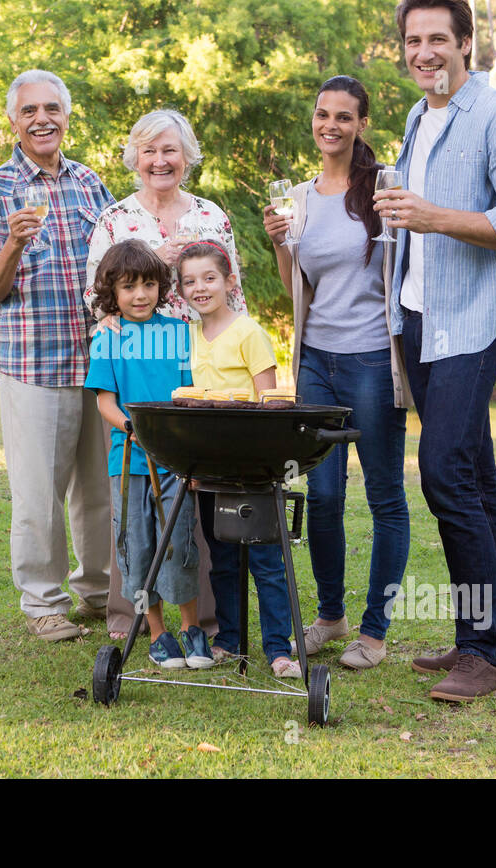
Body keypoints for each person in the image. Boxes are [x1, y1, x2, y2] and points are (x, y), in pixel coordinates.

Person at [374, 0, 496, 701]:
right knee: (477, 478)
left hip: (474, 321)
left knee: (444, 471)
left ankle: (479, 651)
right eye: (413, 40)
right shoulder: (420, 119)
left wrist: (437, 216)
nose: (424, 52)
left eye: (437, 39)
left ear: (466, 43)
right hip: (419, 319)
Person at [261, 75, 412, 672]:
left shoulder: (383, 188)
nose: (331, 125)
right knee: (322, 496)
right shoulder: (297, 198)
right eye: (323, 114)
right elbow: (295, 288)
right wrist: (280, 245)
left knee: (383, 495)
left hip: (372, 358)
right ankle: (331, 616)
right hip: (316, 360)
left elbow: (404, 270)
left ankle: (374, 632)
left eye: (344, 117)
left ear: (360, 125)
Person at [0, 69, 116, 642]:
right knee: (39, 494)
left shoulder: (90, 184)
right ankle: (43, 602)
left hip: (99, 362)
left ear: (67, 117)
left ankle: (98, 591)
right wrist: (13, 243)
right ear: (13, 120)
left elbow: (116, 267)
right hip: (34, 364)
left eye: (52, 109)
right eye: (29, 111)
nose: (42, 119)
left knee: (99, 489)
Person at [85, 240, 213, 668]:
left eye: (148, 285)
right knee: (136, 549)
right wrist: (133, 429)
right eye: (128, 287)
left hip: (174, 463)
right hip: (129, 464)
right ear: (112, 292)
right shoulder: (107, 337)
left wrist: (180, 443)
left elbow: (190, 393)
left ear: (161, 287)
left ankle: (192, 629)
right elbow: (105, 402)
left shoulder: (178, 332)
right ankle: (158, 634)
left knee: (178, 543)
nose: (140, 295)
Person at [179, 242, 299, 678]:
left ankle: (278, 648)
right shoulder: (187, 336)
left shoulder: (249, 333)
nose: (200, 288)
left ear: (230, 282)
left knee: (266, 562)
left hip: (250, 467)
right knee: (223, 558)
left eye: (209, 278)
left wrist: (266, 463)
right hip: (209, 470)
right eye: (189, 281)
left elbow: (270, 402)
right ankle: (229, 639)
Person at [85, 109, 246, 322]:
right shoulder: (114, 220)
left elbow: (234, 296)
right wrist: (153, 261)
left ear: (186, 157)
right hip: (147, 350)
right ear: (136, 160)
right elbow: (95, 300)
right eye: (149, 151)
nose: (159, 162)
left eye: (169, 150)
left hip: (210, 349)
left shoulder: (212, 216)